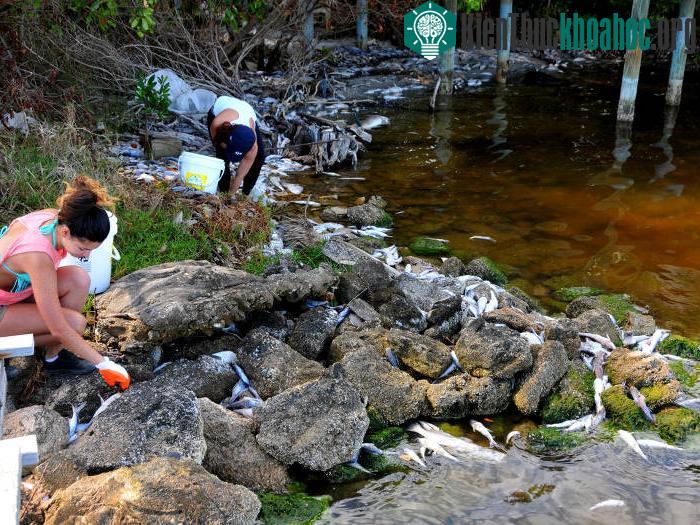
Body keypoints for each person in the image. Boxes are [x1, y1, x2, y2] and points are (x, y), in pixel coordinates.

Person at [0, 177, 130, 389]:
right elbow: (58, 326)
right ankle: (7, 350)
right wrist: (103, 363)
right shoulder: (37, 255)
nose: (86, 255)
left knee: (79, 279)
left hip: (14, 293)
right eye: (82, 249)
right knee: (73, 324)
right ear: (65, 232)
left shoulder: (56, 218)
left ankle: (53, 358)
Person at [207, 95, 266, 198]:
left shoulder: (253, 147)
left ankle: (245, 195)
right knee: (222, 159)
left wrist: (232, 195)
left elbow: (240, 175)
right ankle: (222, 193)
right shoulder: (217, 123)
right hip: (222, 111)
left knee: (259, 158)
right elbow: (217, 142)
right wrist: (222, 145)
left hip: (247, 112)